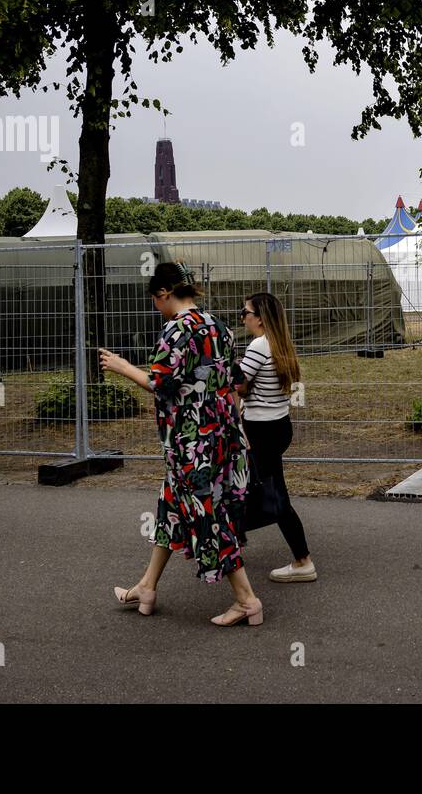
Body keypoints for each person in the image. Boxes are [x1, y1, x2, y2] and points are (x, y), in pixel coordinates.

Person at [99, 260, 264, 628]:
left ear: (164, 293)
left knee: (210, 515)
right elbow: (234, 381)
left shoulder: (176, 331)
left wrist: (123, 366)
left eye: (155, 299)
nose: (156, 306)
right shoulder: (218, 326)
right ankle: (146, 587)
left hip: (191, 443)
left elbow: (161, 384)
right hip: (223, 437)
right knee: (172, 509)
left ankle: (247, 600)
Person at [236, 292, 314, 582]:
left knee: (275, 495)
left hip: (260, 429)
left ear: (259, 318)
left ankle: (303, 560)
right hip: (279, 424)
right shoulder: (281, 343)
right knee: (247, 484)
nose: (243, 317)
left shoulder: (258, 344)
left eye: (245, 312)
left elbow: (239, 385)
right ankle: (234, 538)